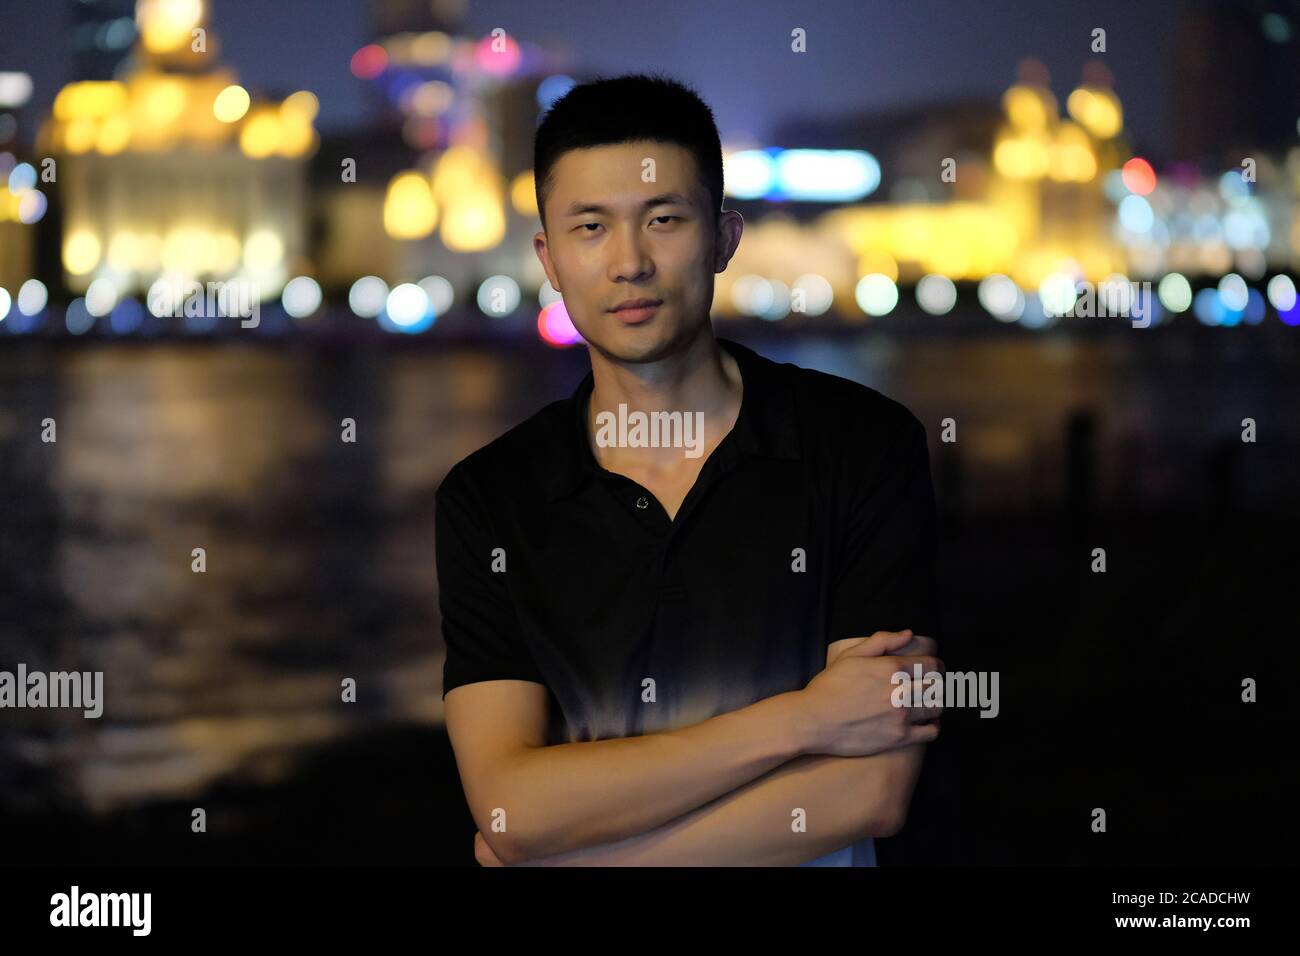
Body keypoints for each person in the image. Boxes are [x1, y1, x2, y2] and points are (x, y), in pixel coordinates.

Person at [437, 73, 943, 866]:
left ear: (722, 237)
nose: (629, 263)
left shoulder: (861, 444)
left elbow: (865, 794)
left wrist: (562, 852)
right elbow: (507, 802)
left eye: (664, 220)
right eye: (591, 228)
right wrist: (803, 720)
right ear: (550, 256)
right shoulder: (491, 499)